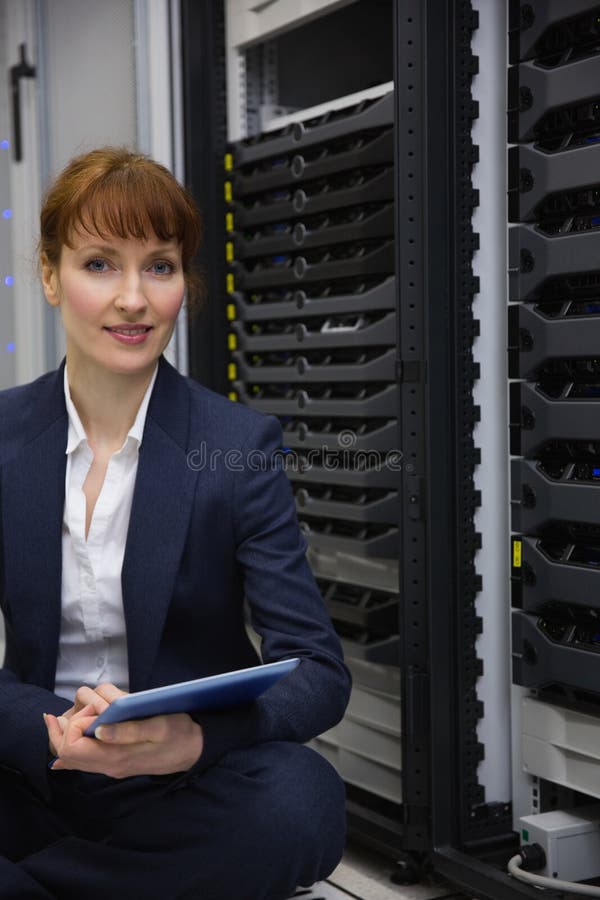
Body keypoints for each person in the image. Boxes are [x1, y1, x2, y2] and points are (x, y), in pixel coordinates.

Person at [0, 147, 351, 900]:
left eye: (158, 266)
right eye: (100, 264)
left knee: (301, 802)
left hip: (181, 779)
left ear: (181, 285)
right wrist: (53, 725)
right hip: (33, 765)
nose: (134, 298)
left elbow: (318, 671)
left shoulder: (236, 447)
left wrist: (193, 738)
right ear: (52, 275)